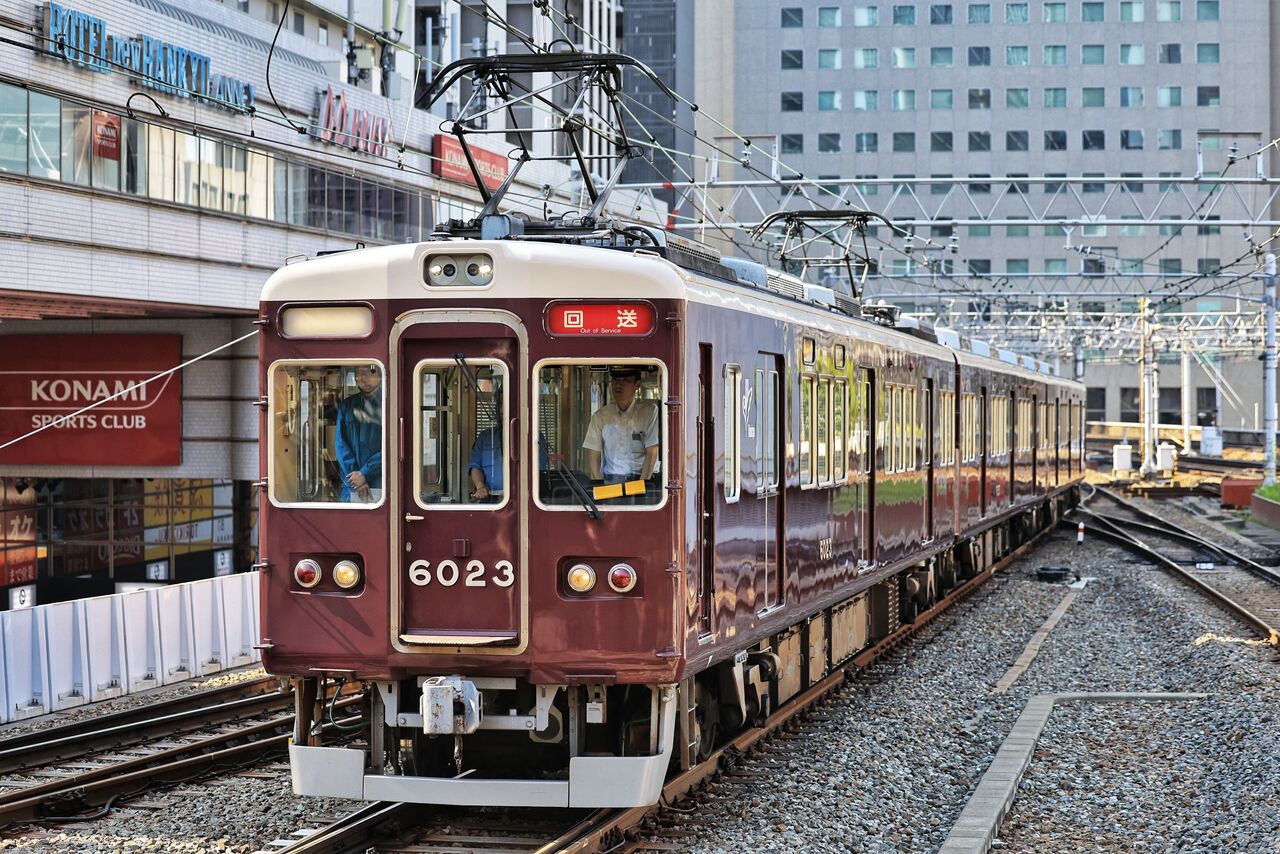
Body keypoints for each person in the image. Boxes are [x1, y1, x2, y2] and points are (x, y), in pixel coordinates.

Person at [583, 367, 660, 483]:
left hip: (642, 479)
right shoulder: (600, 416)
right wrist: (599, 485)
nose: (619, 384)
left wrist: (641, 486)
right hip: (611, 480)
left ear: (637, 384)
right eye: (616, 379)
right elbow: (593, 455)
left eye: (626, 380)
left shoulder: (649, 412)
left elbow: (652, 452)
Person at [469, 418, 550, 501]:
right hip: (490, 500)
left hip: (526, 500)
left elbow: (539, 468)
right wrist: (480, 486)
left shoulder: (535, 436)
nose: (506, 417)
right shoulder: (485, 436)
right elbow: (475, 466)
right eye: (501, 414)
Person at [335, 364, 382, 502]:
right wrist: (356, 479)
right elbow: (340, 444)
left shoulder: (391, 403)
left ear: (380, 375)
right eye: (359, 373)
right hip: (352, 484)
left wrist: (365, 473)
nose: (364, 377)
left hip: (382, 480)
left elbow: (393, 446)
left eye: (370, 372)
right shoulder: (347, 405)